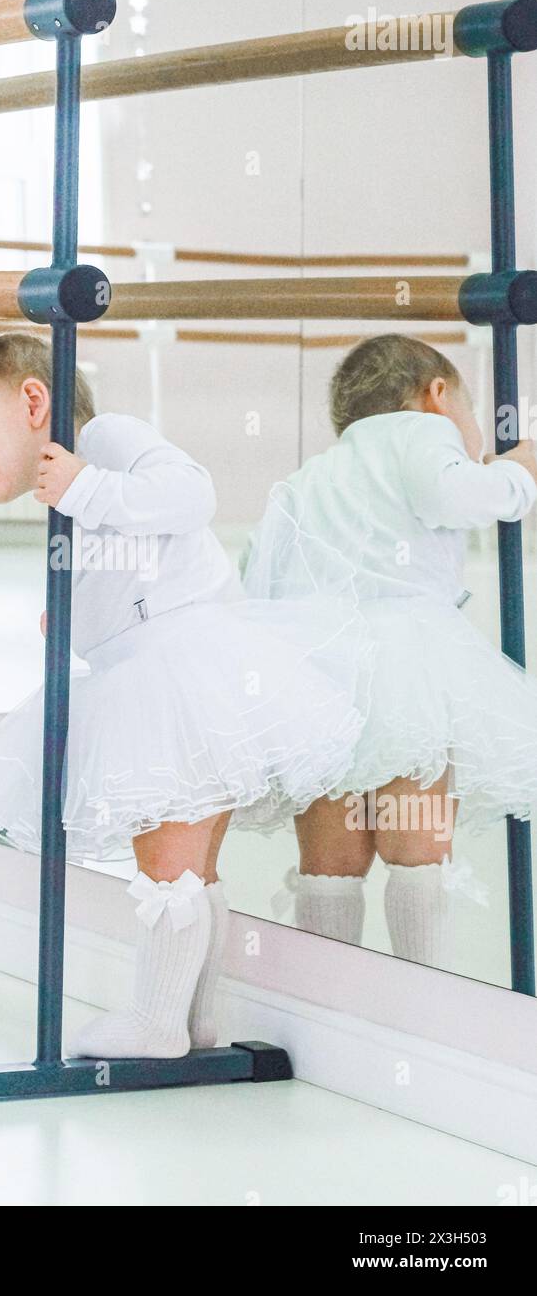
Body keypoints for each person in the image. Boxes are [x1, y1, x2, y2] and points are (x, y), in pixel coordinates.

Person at [0, 331, 369, 1057]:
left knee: (165, 861)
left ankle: (156, 1021)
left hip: (178, 669)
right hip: (174, 670)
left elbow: (190, 496)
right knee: (192, 867)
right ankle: (197, 1018)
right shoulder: (64, 488)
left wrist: (87, 488)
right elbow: (126, 561)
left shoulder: (105, 441)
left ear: (34, 401)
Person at [241, 333, 537, 969]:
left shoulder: (308, 476)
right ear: (436, 397)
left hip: (316, 671)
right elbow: (455, 496)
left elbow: (259, 575)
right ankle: (422, 989)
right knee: (415, 842)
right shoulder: (421, 434)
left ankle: (329, 994)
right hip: (407, 661)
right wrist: (518, 474)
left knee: (331, 855)